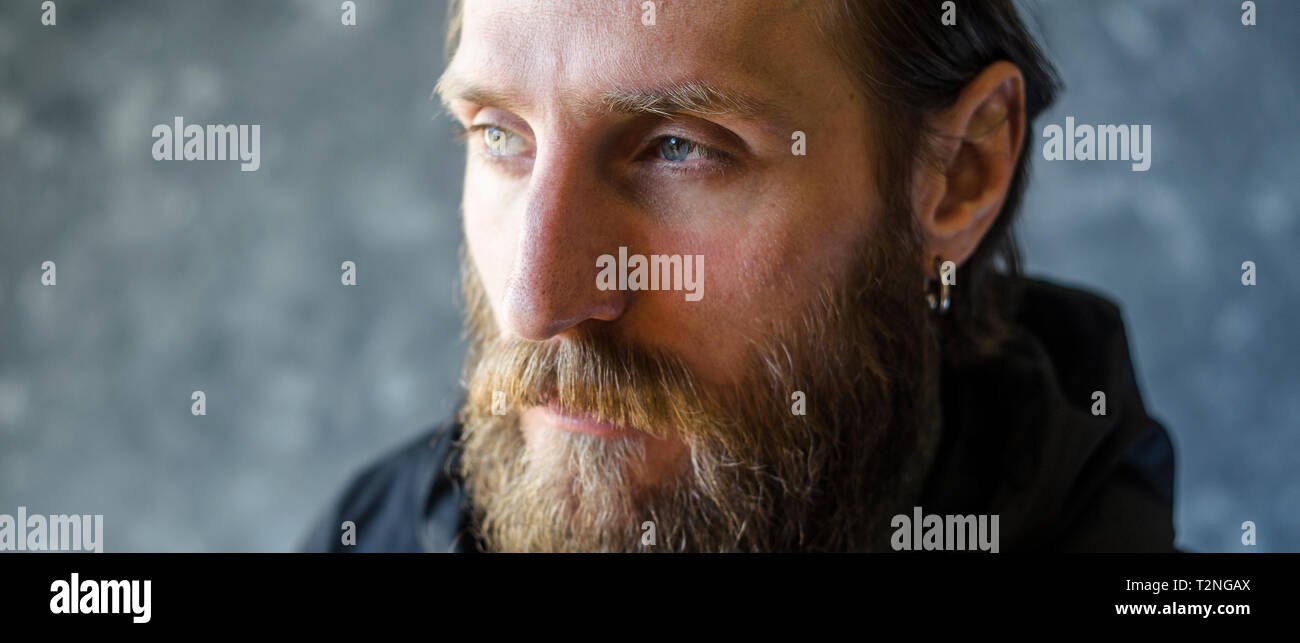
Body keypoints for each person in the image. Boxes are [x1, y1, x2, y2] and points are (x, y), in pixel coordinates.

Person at [301, 0, 1175, 553]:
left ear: (958, 173)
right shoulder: (374, 528)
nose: (536, 303)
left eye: (680, 148)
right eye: (501, 135)